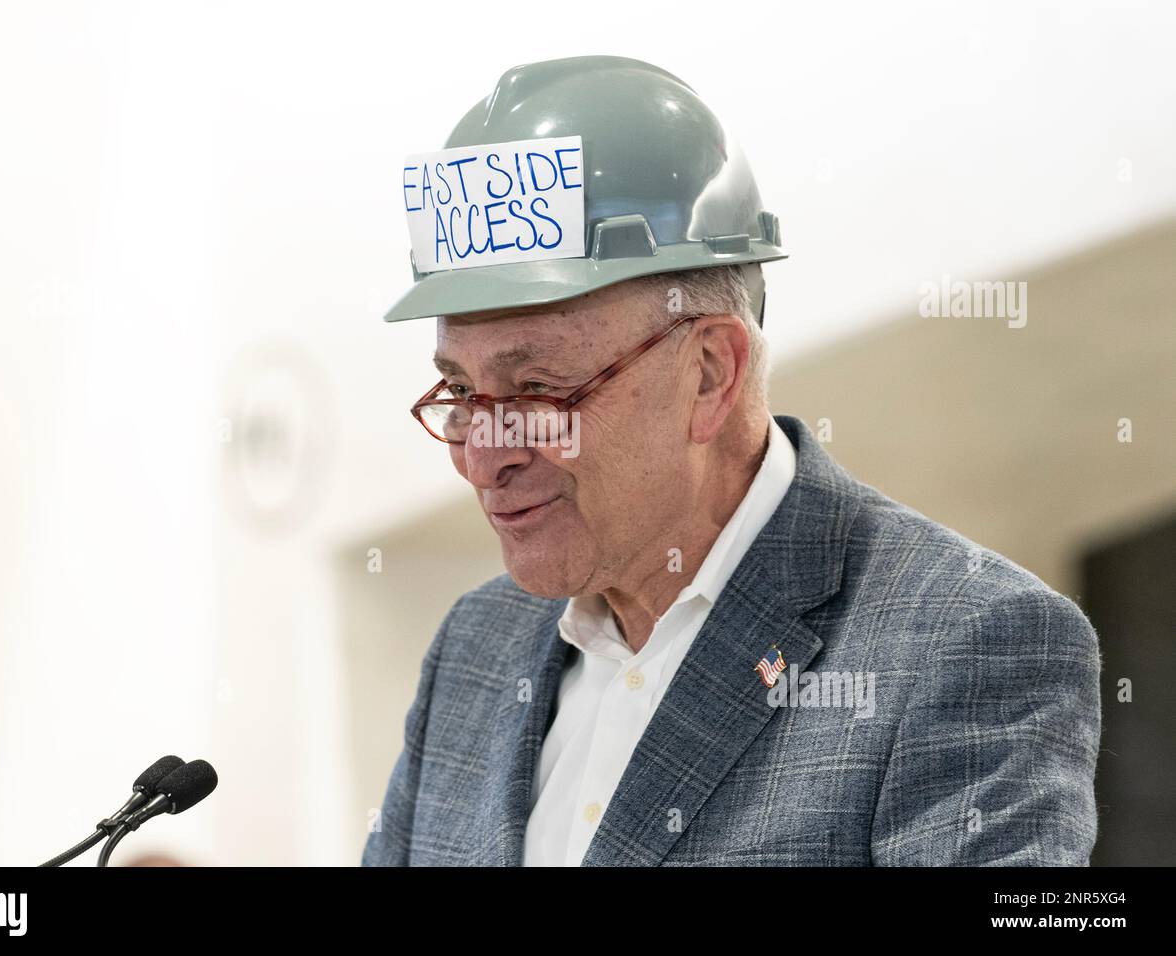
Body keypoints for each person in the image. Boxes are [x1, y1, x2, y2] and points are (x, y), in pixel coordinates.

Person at [363, 56, 1100, 866]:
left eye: (538, 391)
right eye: (461, 393)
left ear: (711, 373)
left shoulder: (962, 644)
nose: (481, 461)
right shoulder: (476, 646)